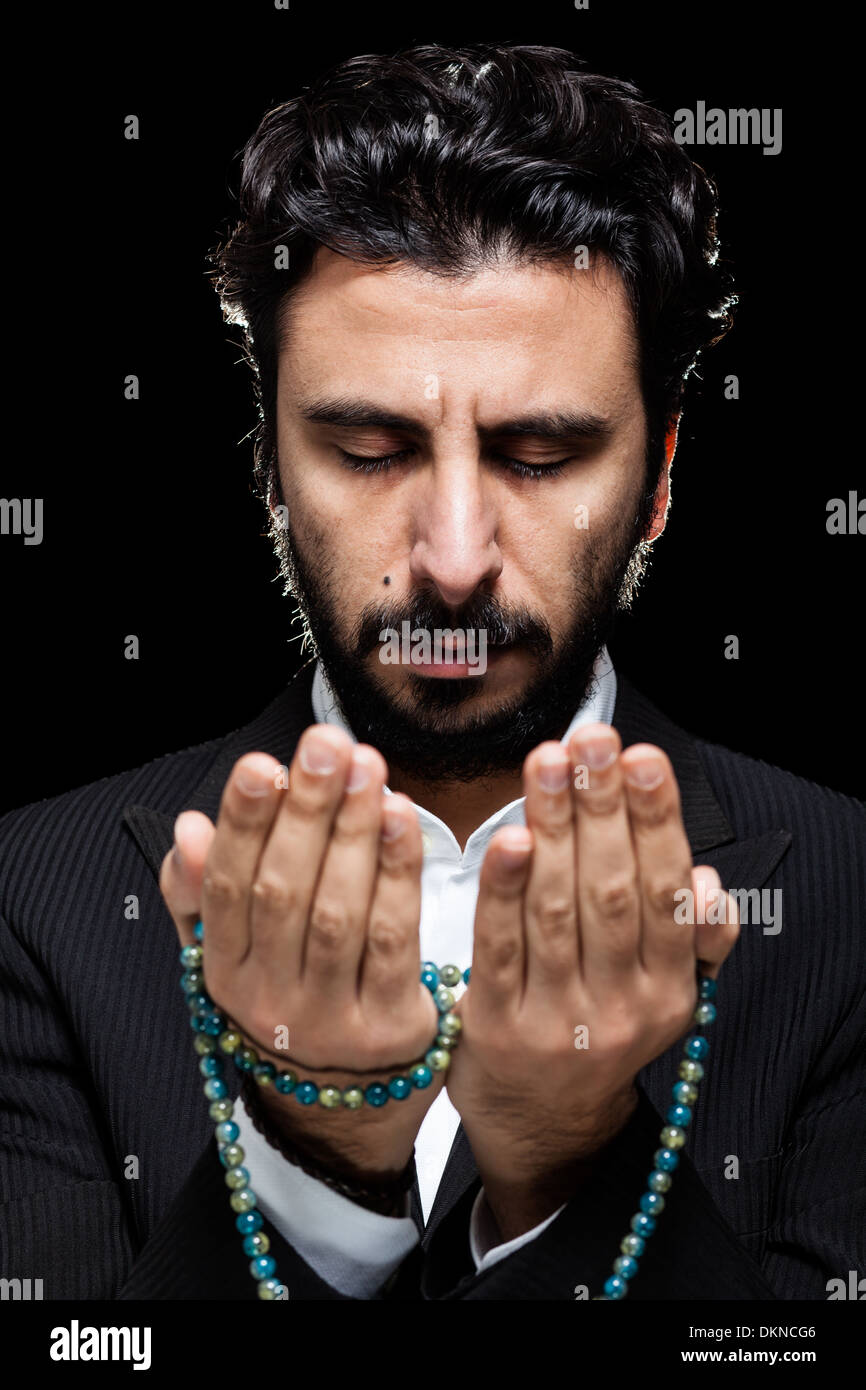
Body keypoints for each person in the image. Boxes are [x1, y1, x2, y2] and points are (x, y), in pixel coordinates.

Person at [1, 43, 863, 1302]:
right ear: (266, 467)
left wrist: (571, 1158)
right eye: (366, 448)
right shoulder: (32, 900)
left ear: (660, 476)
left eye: (537, 453)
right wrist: (311, 1155)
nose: (452, 559)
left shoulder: (848, 903)